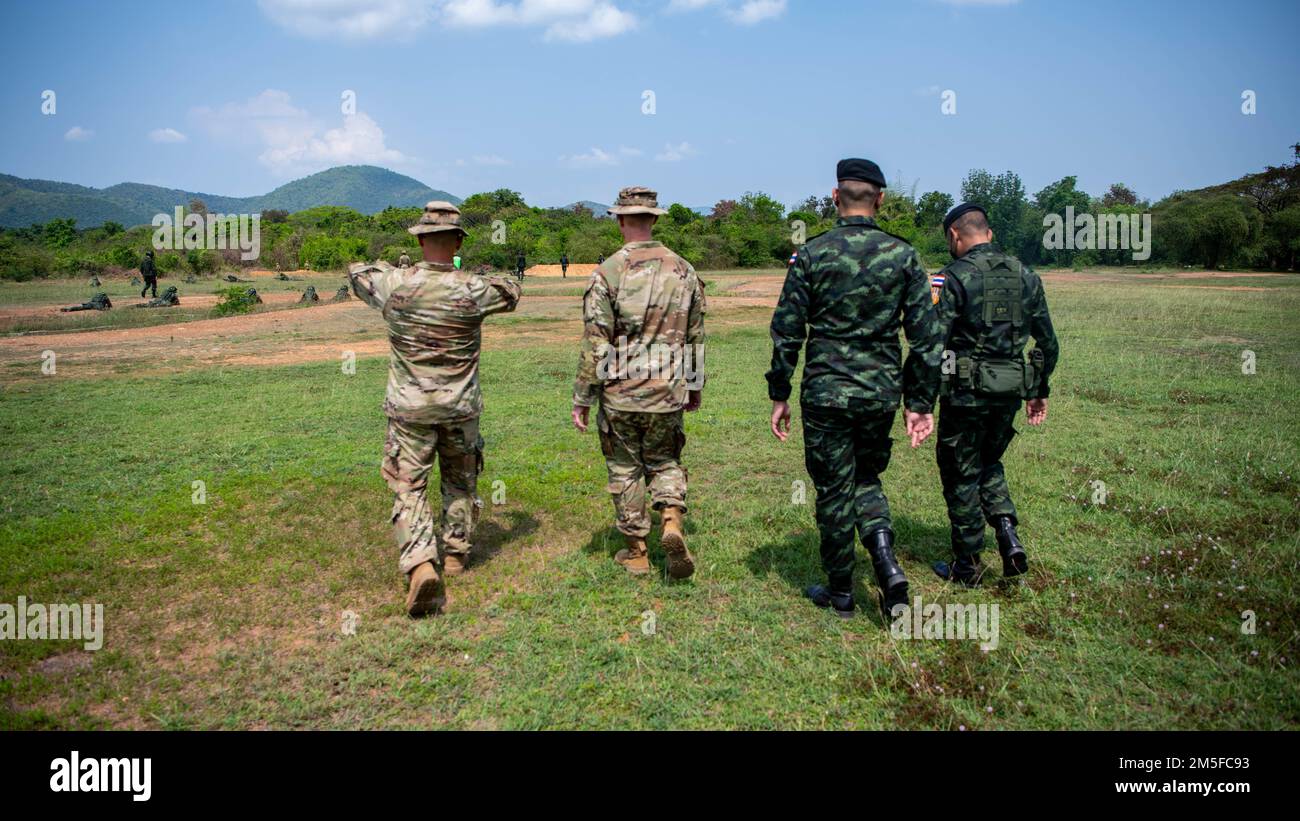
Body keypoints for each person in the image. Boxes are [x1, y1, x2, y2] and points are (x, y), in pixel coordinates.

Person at [766, 158, 943, 619]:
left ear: (834, 197)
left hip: (825, 393)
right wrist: (919, 402)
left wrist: (779, 391)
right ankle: (886, 565)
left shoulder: (811, 254)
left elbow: (787, 329)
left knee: (832, 490)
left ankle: (842, 593)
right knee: (866, 479)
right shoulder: (904, 256)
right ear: (880, 199)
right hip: (879, 393)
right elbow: (926, 338)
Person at [349, 202, 521, 616]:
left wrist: (393, 267)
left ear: (420, 239)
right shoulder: (473, 289)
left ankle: (421, 562)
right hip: (460, 405)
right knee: (460, 481)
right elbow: (511, 289)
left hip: (411, 407)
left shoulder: (394, 284)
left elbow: (357, 273)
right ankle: (457, 555)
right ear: (459, 241)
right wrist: (470, 272)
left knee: (409, 486)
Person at [572, 186, 706, 580]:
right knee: (666, 460)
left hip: (621, 394)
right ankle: (670, 519)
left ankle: (637, 551)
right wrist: (694, 385)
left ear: (620, 221)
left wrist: (583, 396)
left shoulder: (608, 272)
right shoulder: (684, 270)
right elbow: (696, 335)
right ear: (654, 219)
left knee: (625, 468)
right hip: (669, 390)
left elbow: (596, 342)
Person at [931, 203, 1060, 585]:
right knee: (989, 462)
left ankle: (967, 565)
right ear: (988, 232)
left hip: (964, 393)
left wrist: (919, 398)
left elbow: (931, 342)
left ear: (955, 235)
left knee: (959, 471)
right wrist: (1038, 389)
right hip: (1009, 392)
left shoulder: (950, 278)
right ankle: (1007, 535)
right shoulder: (1027, 275)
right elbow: (1048, 343)